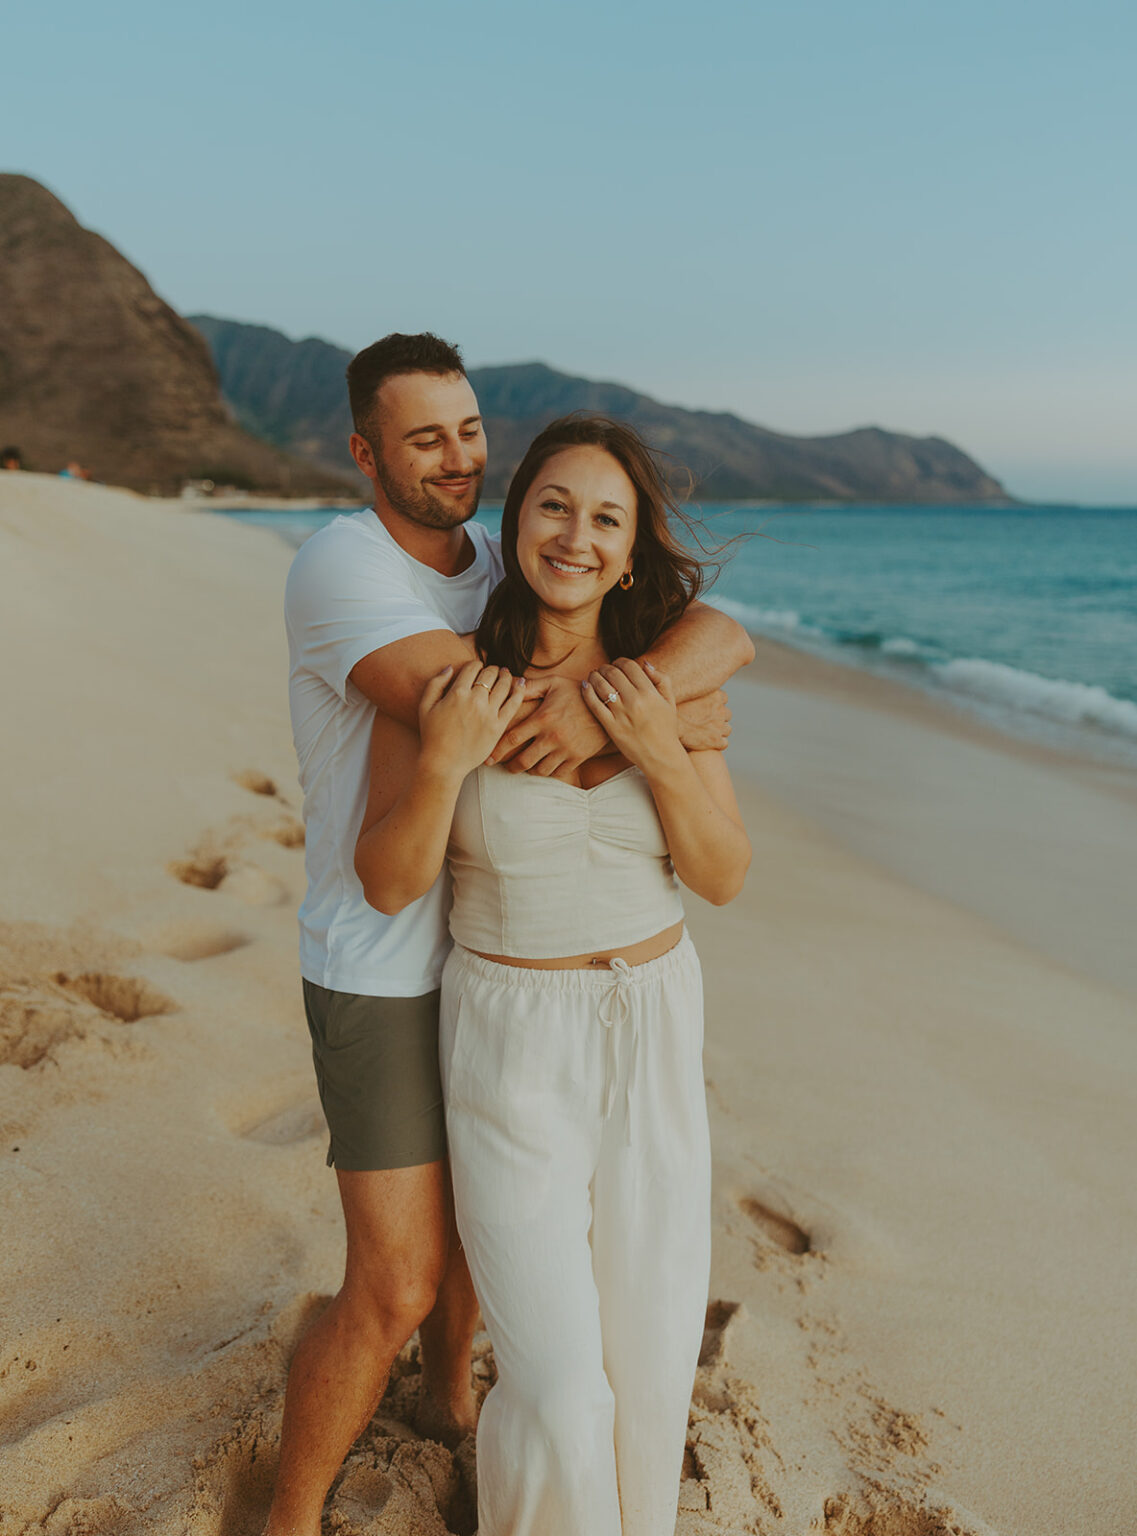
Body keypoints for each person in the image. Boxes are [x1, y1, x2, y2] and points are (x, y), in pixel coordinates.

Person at [271, 335, 754, 1535]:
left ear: (634, 548)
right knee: (521, 1357)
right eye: (555, 507)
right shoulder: (429, 660)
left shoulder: (661, 683)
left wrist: (650, 727)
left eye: (605, 521)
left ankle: (467, 1418)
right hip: (483, 1014)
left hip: (650, 1025)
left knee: (644, 1350)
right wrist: (469, 750)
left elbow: (725, 870)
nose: (575, 537)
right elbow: (390, 873)